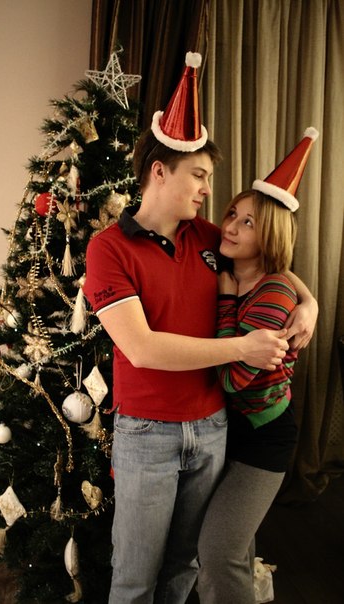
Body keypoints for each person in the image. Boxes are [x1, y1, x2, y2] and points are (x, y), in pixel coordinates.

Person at [84, 52, 317, 604]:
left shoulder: (208, 235)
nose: (208, 190)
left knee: (183, 569)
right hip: (147, 433)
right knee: (135, 578)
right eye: (200, 176)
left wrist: (308, 303)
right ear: (160, 171)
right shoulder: (108, 249)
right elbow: (142, 348)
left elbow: (270, 257)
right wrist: (241, 347)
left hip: (212, 429)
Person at [197, 128, 319, 604]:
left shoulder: (273, 293)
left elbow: (233, 377)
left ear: (268, 234)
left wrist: (227, 301)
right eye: (232, 214)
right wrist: (311, 299)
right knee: (236, 542)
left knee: (218, 552)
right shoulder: (226, 265)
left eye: (248, 223)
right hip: (224, 429)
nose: (230, 226)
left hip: (263, 435)